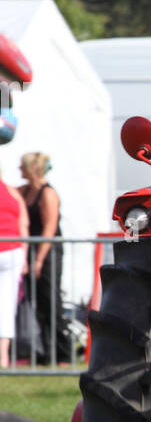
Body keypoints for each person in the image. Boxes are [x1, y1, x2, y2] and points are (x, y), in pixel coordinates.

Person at [18, 151, 72, 365]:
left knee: (51, 301)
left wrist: (39, 260)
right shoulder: (26, 191)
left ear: (32, 169)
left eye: (22, 166)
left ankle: (63, 353)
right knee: (38, 303)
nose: (19, 170)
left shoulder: (48, 193)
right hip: (33, 251)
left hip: (48, 252)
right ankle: (45, 352)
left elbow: (49, 229)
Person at [0, 161, 28, 369]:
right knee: (6, 306)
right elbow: (23, 225)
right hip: (13, 251)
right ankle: (3, 357)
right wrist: (25, 256)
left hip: (8, 251)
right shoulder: (13, 192)